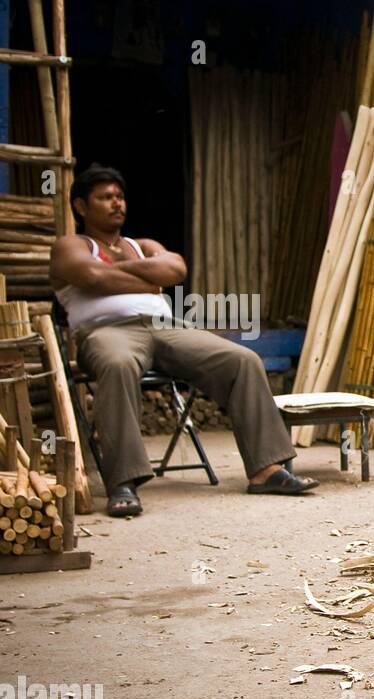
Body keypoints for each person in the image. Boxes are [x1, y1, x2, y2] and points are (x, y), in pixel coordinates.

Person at [49, 164, 317, 517]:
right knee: (117, 365)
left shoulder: (140, 244)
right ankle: (123, 482)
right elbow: (90, 275)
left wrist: (118, 274)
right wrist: (146, 279)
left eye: (119, 196)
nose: (116, 203)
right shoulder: (71, 244)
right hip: (107, 332)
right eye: (105, 197)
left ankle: (266, 470)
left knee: (243, 360)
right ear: (81, 206)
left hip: (166, 326)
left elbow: (175, 271)